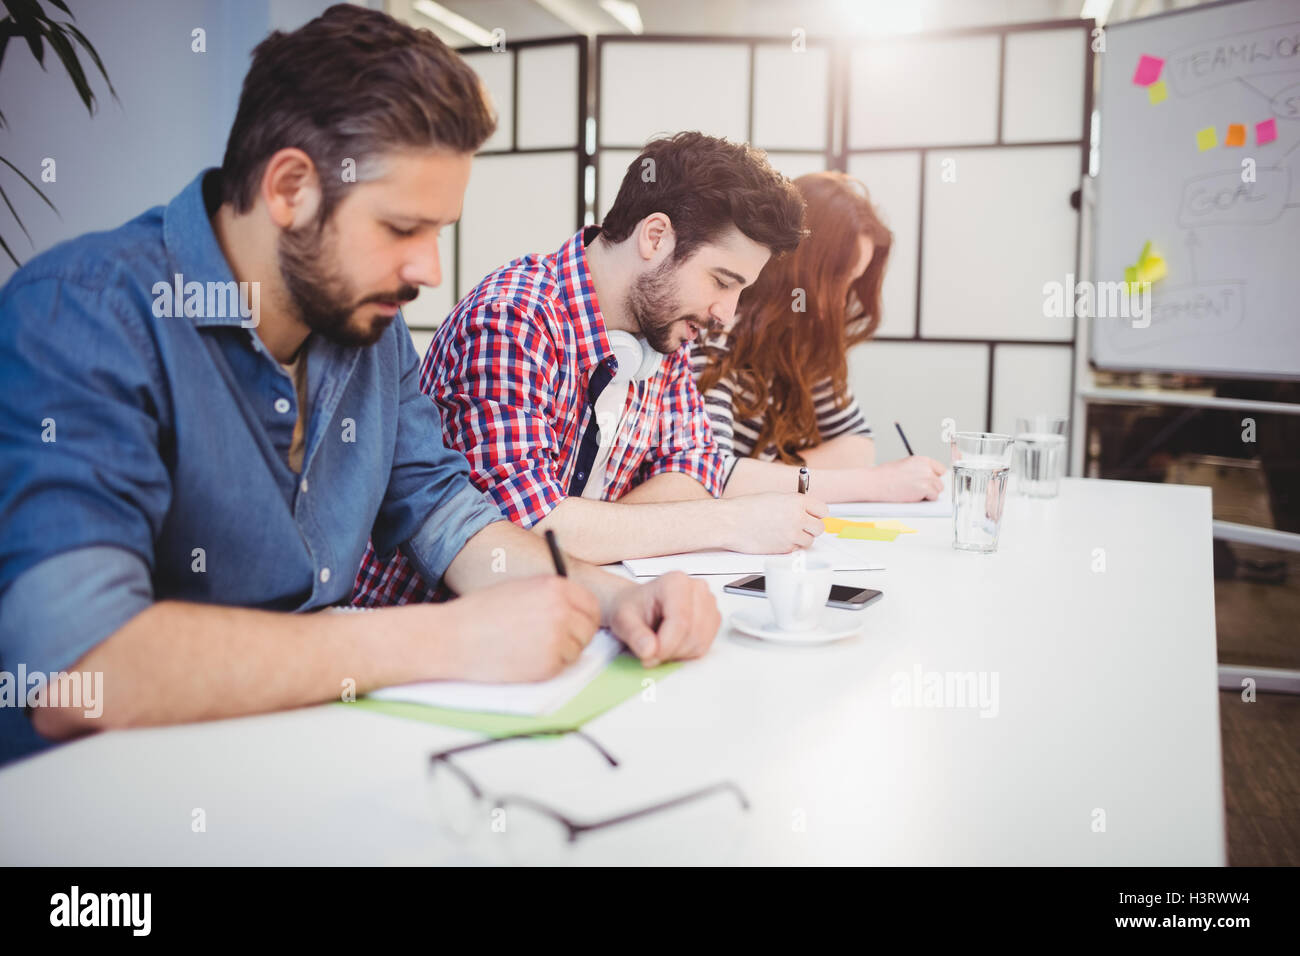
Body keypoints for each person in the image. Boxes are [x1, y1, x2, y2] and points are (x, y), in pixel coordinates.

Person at [0, 5, 717, 763]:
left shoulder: (363, 331)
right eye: (402, 228)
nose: (430, 272)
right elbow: (73, 667)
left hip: (294, 757)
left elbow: (452, 520)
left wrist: (613, 598)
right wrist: (438, 638)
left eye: (438, 232)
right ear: (289, 188)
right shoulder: (82, 312)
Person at [355, 131, 828, 605]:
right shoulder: (513, 317)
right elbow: (525, 531)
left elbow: (694, 470)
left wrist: (588, 529)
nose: (726, 311)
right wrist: (734, 520)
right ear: (656, 237)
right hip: (438, 629)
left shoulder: (665, 331)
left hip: (575, 608)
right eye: (722, 282)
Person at [692, 171, 946, 501]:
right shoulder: (718, 328)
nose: (843, 300)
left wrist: (763, 473)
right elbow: (711, 478)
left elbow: (857, 446)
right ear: (800, 269)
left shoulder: (801, 342)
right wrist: (877, 484)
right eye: (839, 280)